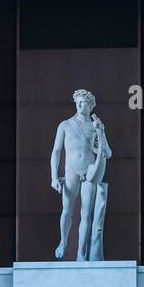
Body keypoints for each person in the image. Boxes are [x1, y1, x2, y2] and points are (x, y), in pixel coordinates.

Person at [50, 88, 112, 261]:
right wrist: (54, 177)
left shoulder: (96, 126)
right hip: (71, 171)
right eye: (77, 102)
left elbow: (108, 153)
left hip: (89, 172)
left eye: (83, 102)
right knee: (67, 211)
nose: (79, 105)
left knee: (86, 214)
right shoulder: (65, 125)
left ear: (91, 106)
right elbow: (56, 152)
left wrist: (100, 132)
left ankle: (80, 254)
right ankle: (63, 242)